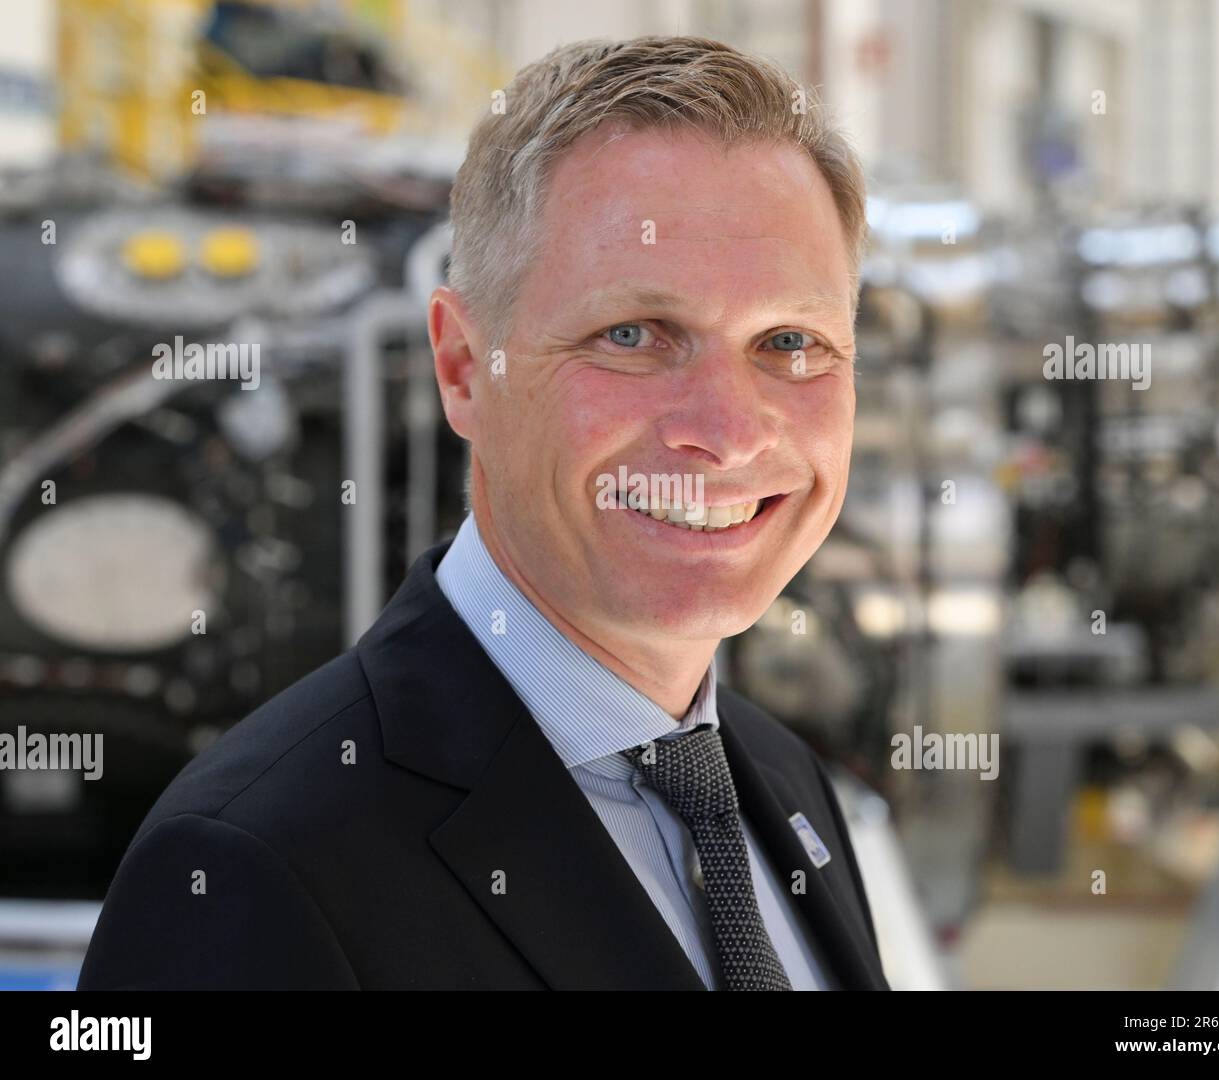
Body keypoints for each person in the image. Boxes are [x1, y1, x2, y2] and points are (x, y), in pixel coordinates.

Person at [78, 34, 890, 991]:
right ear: (465, 368)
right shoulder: (249, 870)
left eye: (789, 342)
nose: (725, 434)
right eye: (631, 334)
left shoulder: (782, 783)